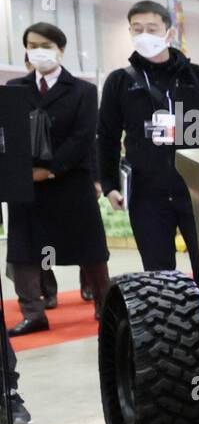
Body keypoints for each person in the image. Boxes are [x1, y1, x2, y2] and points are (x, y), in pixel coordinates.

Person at [97, 0, 199, 293]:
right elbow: (107, 136)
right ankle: (168, 320)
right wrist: (110, 184)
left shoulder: (196, 77)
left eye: (151, 28)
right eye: (137, 29)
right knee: (158, 273)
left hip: (196, 191)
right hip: (147, 194)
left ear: (168, 33)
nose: (144, 35)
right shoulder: (119, 82)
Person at [5, 22, 110, 338]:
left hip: (71, 181)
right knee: (24, 251)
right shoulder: (14, 89)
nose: (38, 51)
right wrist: (21, 172)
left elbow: (82, 138)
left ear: (61, 50)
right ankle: (33, 313)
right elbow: (8, 136)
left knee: (90, 249)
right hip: (26, 186)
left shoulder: (83, 91)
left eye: (46, 46)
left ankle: (106, 307)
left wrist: (49, 169)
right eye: (32, 46)